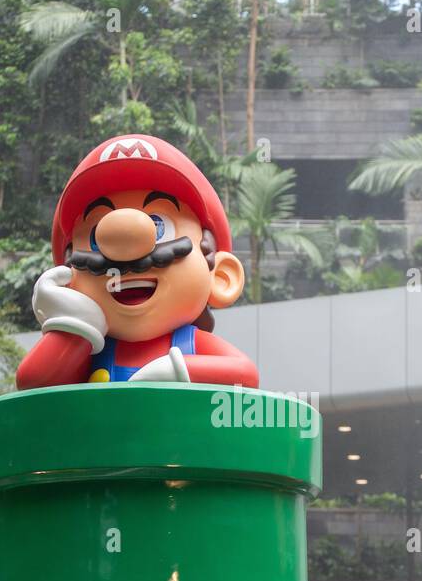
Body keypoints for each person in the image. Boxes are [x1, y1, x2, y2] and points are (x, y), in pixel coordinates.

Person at [16, 134, 257, 390]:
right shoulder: (88, 350)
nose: (125, 247)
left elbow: (245, 374)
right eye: (96, 235)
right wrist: (73, 324)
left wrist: (179, 369)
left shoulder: (191, 344)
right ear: (67, 279)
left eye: (158, 226)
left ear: (221, 276)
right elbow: (32, 382)